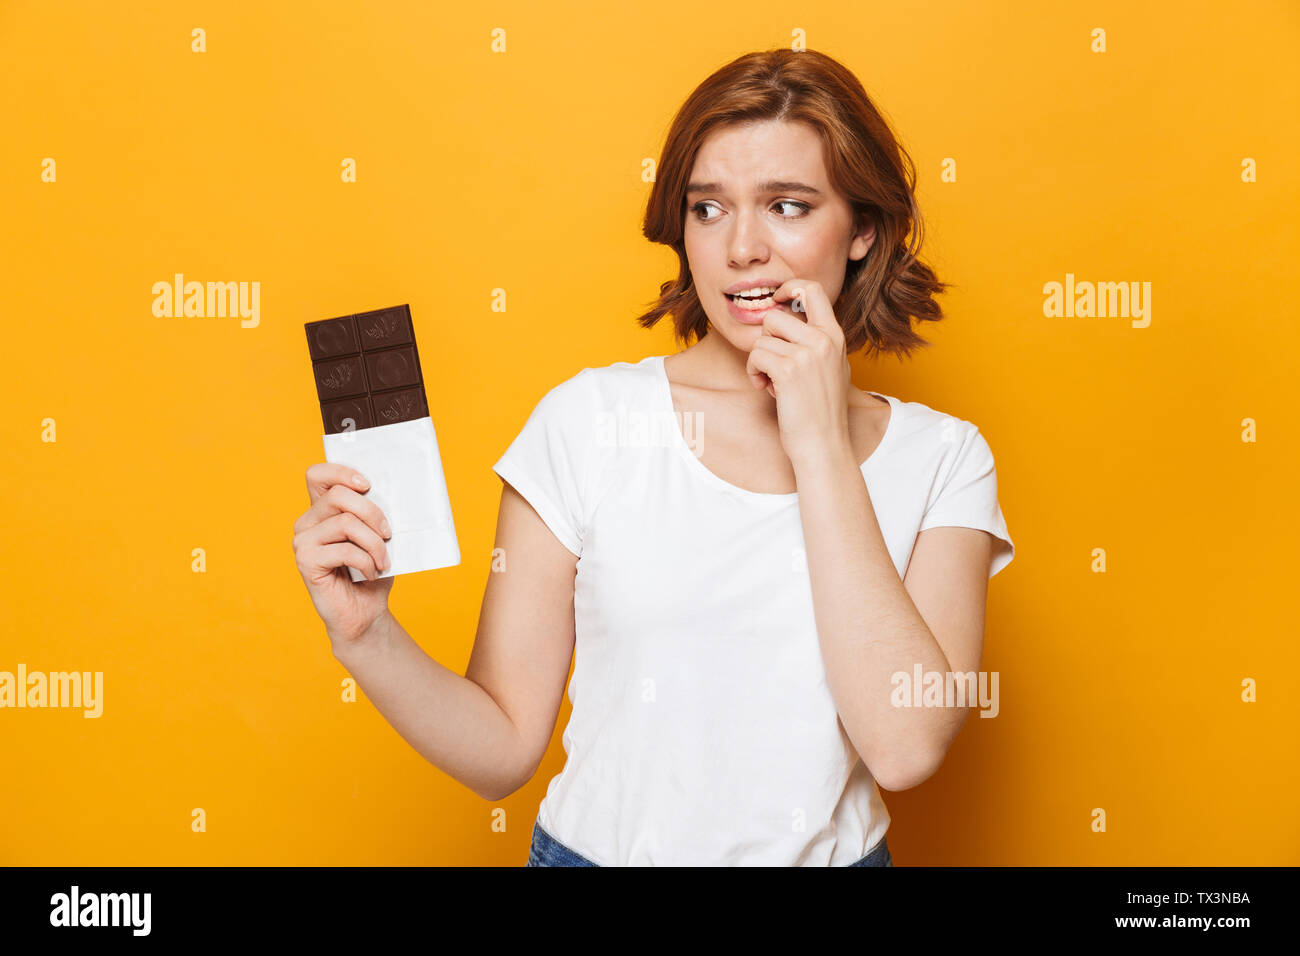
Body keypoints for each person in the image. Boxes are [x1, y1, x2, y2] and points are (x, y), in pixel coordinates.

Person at [291, 48, 1014, 867]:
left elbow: (905, 746)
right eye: (709, 210)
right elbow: (501, 748)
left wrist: (817, 443)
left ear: (863, 231)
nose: (743, 248)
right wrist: (365, 635)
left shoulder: (946, 458)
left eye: (787, 205)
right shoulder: (589, 422)